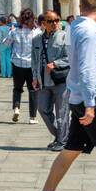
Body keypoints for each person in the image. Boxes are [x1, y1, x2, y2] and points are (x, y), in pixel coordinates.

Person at [34, 0, 96, 191]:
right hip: (93, 99)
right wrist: (90, 104)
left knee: (72, 148)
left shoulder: (75, 27)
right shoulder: (89, 31)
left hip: (78, 96)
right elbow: (88, 69)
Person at [32, 11, 71, 151]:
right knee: (42, 109)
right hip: (43, 81)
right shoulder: (36, 39)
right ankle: (61, 136)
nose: (54, 23)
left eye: (57, 20)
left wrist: (56, 63)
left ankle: (63, 141)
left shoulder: (66, 36)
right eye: (50, 21)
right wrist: (35, 77)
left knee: (62, 112)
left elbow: (71, 57)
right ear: (43, 24)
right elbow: (34, 60)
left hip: (61, 80)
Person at [5, 9, 40, 124]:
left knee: (17, 88)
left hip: (17, 63)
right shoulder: (37, 32)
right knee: (33, 89)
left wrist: (11, 31)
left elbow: (6, 43)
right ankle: (32, 117)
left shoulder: (15, 32)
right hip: (32, 65)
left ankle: (16, 108)